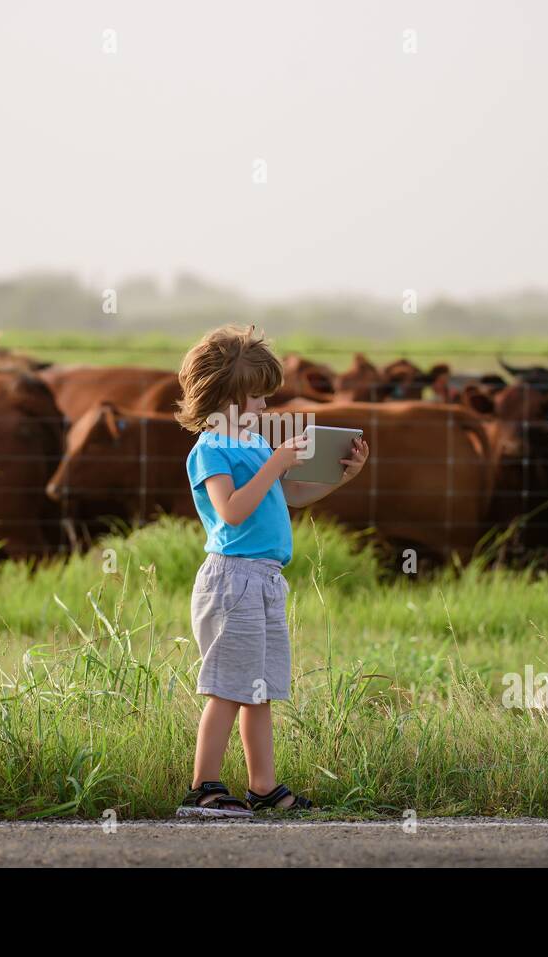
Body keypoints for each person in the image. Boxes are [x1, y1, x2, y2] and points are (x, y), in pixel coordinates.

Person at [173, 324, 368, 817]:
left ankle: (264, 786)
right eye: (255, 398)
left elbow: (291, 496)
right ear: (222, 398)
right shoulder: (211, 451)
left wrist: (343, 478)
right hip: (231, 580)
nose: (263, 408)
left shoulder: (256, 446)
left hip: (263, 579)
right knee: (226, 687)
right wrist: (278, 462)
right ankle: (204, 787)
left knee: (257, 689)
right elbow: (233, 510)